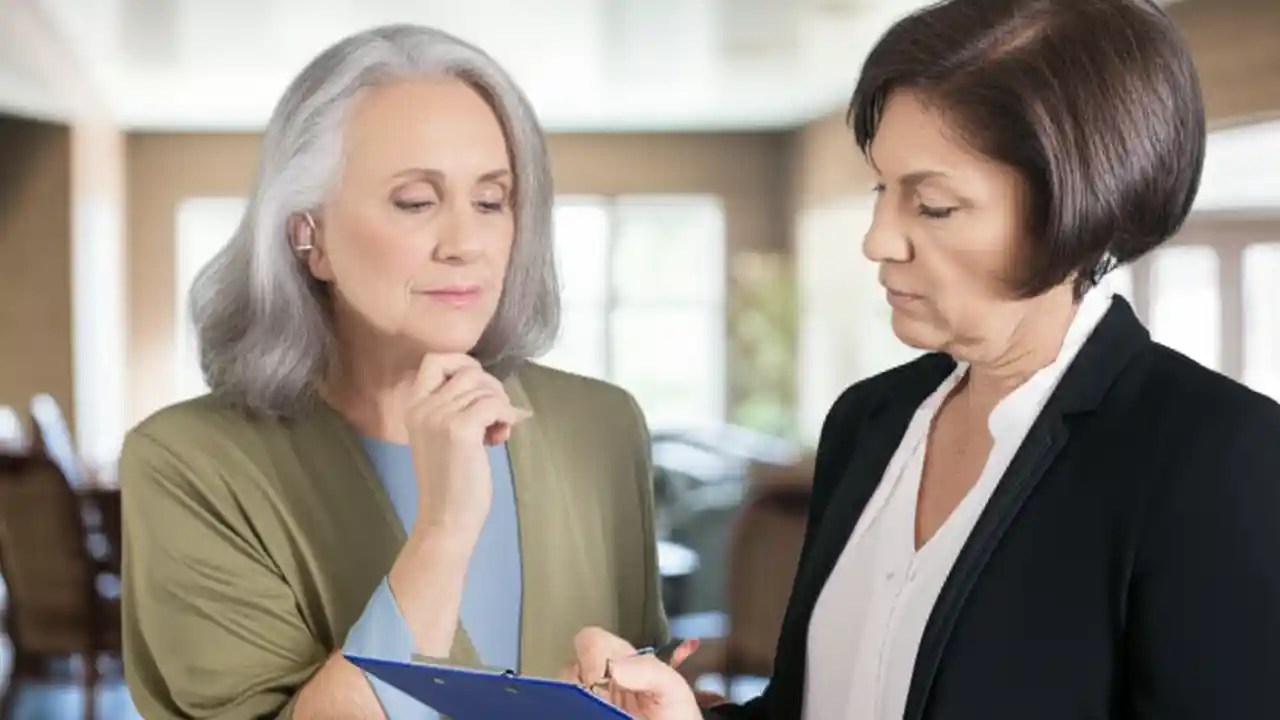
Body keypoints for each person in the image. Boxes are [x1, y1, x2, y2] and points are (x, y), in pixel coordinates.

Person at [571, 1, 1280, 718]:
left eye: (933, 206)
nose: (879, 238)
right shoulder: (869, 421)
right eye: (883, 189)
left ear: (1081, 207)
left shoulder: (1215, 456)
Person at [119, 25, 667, 719]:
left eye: (491, 200)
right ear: (306, 234)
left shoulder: (602, 427)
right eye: (416, 201)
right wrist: (445, 528)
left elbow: (650, 681)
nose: (466, 243)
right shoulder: (188, 466)